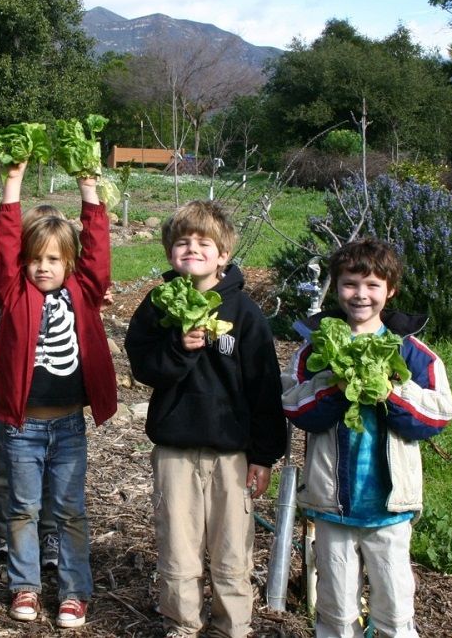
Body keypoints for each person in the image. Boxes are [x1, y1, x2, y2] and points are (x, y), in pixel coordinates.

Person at [124, 200, 286, 638]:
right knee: (178, 547)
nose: (192, 249)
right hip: (175, 448)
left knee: (233, 549)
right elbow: (143, 365)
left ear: (223, 255)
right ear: (169, 252)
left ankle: (233, 626)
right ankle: (182, 623)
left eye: (203, 242)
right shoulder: (159, 306)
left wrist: (264, 455)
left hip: (232, 454)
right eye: (182, 242)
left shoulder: (245, 315)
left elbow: (265, 390)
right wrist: (178, 347)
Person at [281, 238, 452, 638]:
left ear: (390, 290)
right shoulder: (315, 350)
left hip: (389, 506)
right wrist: (334, 385)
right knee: (335, 608)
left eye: (372, 285)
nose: (361, 294)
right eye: (349, 284)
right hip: (333, 503)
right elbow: (295, 408)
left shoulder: (413, 354)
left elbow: (437, 416)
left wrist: (392, 391)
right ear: (336, 287)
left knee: (395, 606)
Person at [0, 161, 117, 629]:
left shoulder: (84, 291)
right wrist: (13, 182)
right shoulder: (14, 291)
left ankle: (73, 592)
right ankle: (25, 585)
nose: (43, 267)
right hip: (22, 426)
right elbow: (2, 247)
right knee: (22, 509)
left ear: (68, 263)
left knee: (70, 510)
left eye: (53, 260)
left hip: (68, 426)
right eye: (35, 259)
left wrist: (90, 190)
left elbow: (98, 253)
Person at [0, 176, 60, 567]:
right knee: (3, 465)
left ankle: (49, 535)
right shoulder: (11, 286)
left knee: (54, 470)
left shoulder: (67, 294)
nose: (43, 263)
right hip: (12, 394)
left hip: (53, 399)